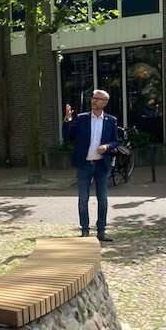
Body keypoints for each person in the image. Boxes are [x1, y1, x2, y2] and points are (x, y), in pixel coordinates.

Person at [62, 89, 119, 242]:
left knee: (103, 199)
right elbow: (68, 136)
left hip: (101, 165)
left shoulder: (111, 120)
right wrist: (68, 120)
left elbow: (115, 141)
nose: (94, 100)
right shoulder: (82, 118)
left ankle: (101, 231)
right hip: (84, 165)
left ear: (104, 103)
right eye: (93, 98)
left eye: (98, 99)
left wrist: (107, 146)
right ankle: (85, 231)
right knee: (83, 199)